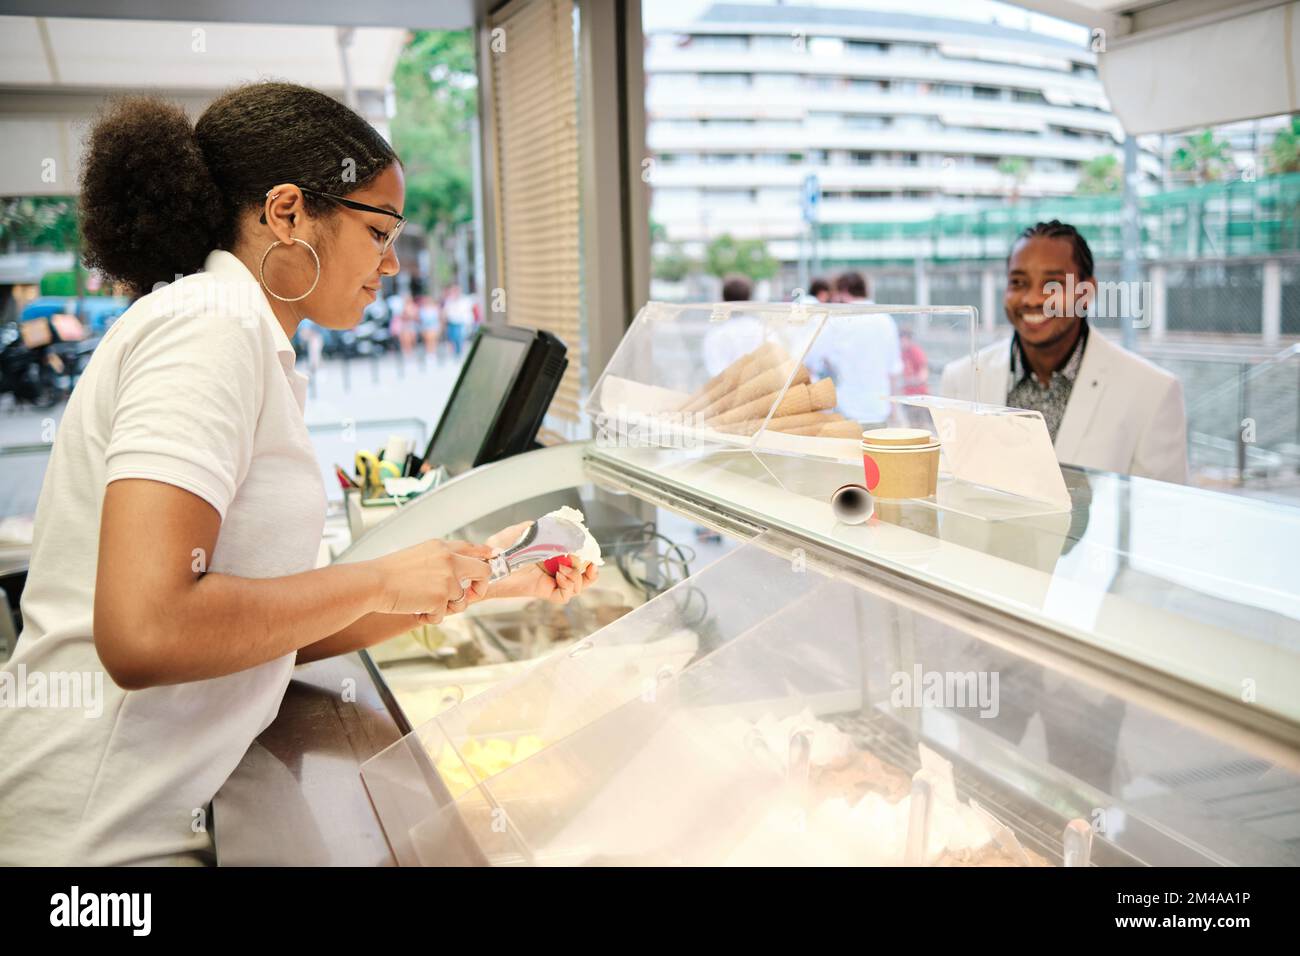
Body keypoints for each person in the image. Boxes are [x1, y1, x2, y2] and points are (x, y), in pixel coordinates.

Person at [0, 82, 597, 867]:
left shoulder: (240, 334)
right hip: (90, 846)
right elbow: (145, 631)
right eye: (379, 230)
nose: (390, 264)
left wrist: (486, 571)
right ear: (286, 213)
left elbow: (270, 626)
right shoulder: (208, 328)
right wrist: (383, 580)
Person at [939, 220, 1187, 483]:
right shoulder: (962, 379)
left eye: (1053, 285)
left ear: (1086, 292)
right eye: (1018, 282)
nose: (1033, 299)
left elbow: (1160, 515)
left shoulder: (1152, 392)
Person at [803, 270, 903, 427]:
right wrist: (894, 411)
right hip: (879, 411)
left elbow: (809, 361)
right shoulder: (886, 321)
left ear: (842, 293)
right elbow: (894, 371)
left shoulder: (836, 321)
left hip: (845, 412)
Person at [442, 283, 474, 358]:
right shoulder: (449, 300)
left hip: (461, 323)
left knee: (461, 339)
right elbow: (446, 311)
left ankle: (461, 354)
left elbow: (468, 312)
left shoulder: (465, 300)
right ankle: (454, 355)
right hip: (452, 322)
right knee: (452, 339)